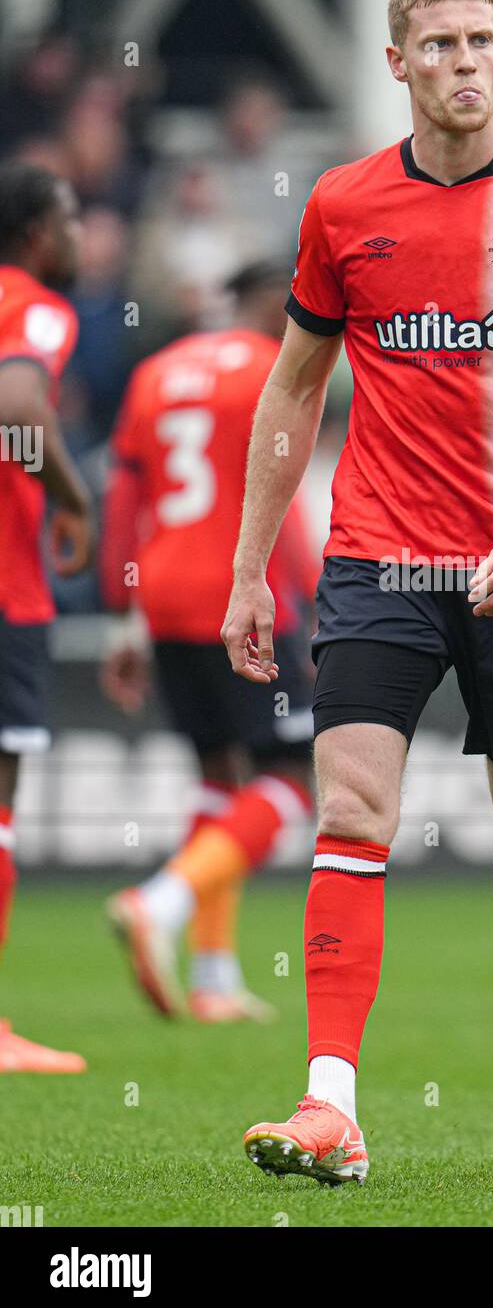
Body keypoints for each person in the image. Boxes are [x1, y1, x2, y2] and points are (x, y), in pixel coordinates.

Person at [222, 0, 493, 1185]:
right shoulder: (344, 207)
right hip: (376, 558)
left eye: (481, 41)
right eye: (440, 45)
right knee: (351, 812)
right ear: (396, 65)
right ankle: (330, 1103)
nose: (465, 62)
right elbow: (293, 387)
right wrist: (253, 567)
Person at [101, 263, 317, 1023]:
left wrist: (123, 614)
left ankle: (214, 976)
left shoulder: (155, 372)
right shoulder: (271, 369)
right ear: (274, 304)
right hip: (239, 593)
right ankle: (156, 905)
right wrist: (319, 596)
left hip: (160, 594)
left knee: (218, 778)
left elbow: (125, 501)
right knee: (292, 779)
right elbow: (278, 497)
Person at [0, 162, 92, 1072]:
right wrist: (75, 499)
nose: (82, 235)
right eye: (71, 216)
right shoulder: (32, 303)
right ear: (37, 230)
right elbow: (17, 408)